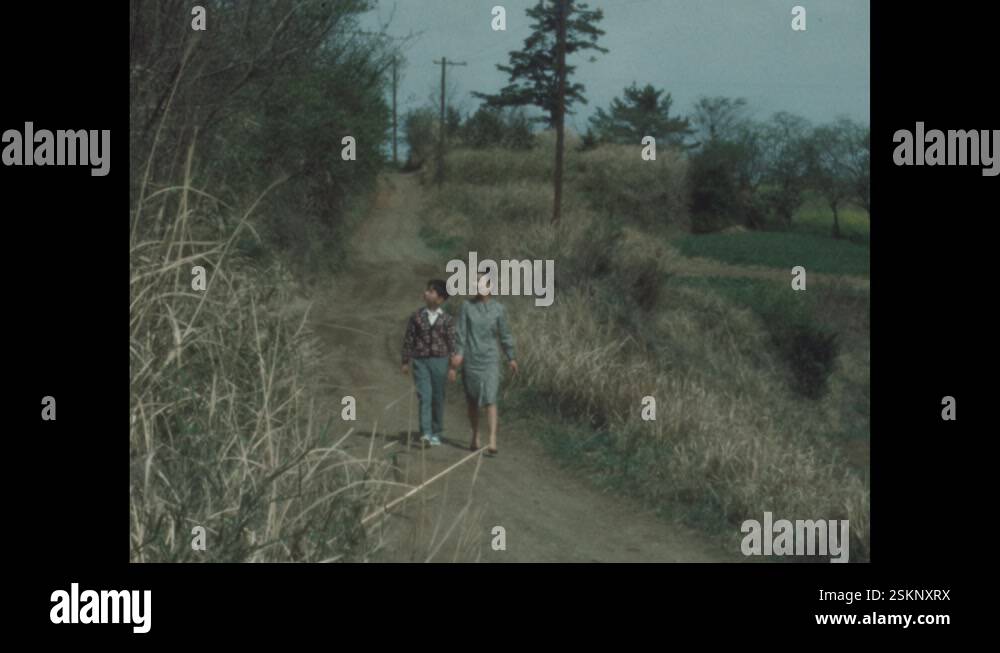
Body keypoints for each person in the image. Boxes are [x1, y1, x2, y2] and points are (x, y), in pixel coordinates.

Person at [453, 273, 518, 456]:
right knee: (472, 400)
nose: (477, 286)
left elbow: (504, 334)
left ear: (490, 287)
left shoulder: (498, 309)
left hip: (490, 359)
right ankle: (475, 434)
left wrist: (511, 357)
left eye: (481, 283)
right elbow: (461, 333)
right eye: (475, 283)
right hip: (471, 358)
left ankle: (492, 439)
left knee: (490, 398)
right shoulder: (466, 306)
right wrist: (458, 354)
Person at [401, 279, 459, 447]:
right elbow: (409, 339)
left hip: (440, 361)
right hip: (420, 361)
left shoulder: (447, 319)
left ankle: (436, 431)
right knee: (424, 396)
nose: (426, 293)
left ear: (440, 299)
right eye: (427, 290)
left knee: (438, 397)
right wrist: (405, 361)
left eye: (431, 291)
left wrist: (453, 367)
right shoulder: (417, 317)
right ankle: (425, 432)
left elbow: (452, 343)